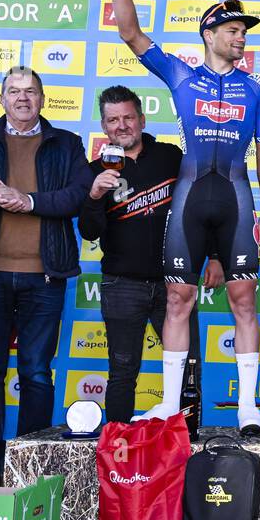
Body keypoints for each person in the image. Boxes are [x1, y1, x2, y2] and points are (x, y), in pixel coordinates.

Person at [97, 0, 260, 435]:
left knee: (244, 300)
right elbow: (130, 32)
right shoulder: (181, 75)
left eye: (244, 32)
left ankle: (247, 407)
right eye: (234, 30)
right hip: (191, 199)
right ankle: (172, 407)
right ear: (210, 34)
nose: (241, 38)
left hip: (238, 200)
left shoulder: (257, 90)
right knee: (178, 300)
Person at [0, 67, 90, 486]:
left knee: (35, 371)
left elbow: (77, 197)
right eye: (14, 91)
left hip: (45, 277)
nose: (23, 97)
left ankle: (30, 462)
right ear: (2, 98)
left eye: (31, 91)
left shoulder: (67, 143)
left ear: (43, 98)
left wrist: (26, 200)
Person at [79, 86, 216, 425]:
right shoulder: (94, 169)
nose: (121, 125)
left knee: (189, 367)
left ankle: (187, 445)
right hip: (122, 284)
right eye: (113, 120)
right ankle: (117, 447)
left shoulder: (170, 157)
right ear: (104, 126)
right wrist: (95, 195)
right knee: (123, 371)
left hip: (175, 283)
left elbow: (202, 209)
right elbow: (89, 231)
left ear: (142, 119)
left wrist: (214, 255)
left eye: (127, 117)